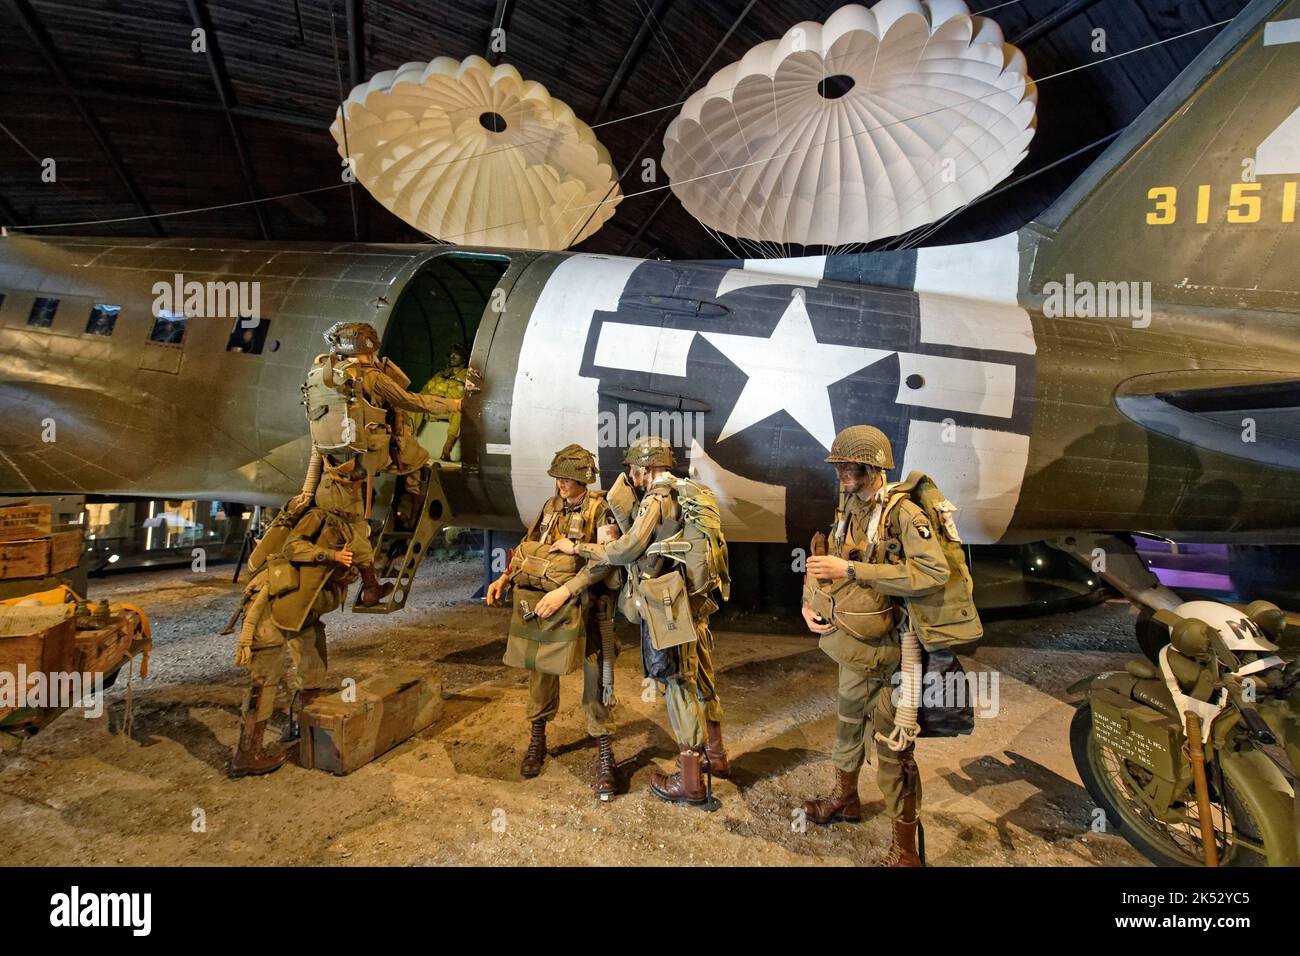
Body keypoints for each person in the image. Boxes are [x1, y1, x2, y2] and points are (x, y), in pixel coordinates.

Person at [551, 436, 730, 807]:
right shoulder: (686, 490)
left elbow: (627, 549)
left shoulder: (658, 497)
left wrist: (580, 547)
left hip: (669, 602)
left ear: (646, 468)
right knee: (702, 675)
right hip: (691, 600)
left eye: (634, 468)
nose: (631, 476)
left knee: (679, 680)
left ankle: (690, 780)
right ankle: (716, 755)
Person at [800, 425, 949, 866]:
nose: (843, 472)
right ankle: (845, 799)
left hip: (896, 653)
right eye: (840, 465)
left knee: (893, 748)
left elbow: (932, 574)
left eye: (851, 466)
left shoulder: (904, 515)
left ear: (875, 467)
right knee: (847, 726)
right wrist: (810, 604)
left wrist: (852, 572)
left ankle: (905, 851)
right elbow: (826, 560)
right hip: (853, 644)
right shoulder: (848, 505)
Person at [487, 445, 622, 798]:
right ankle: (538, 737)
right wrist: (505, 578)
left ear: (583, 479)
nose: (561, 484)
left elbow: (607, 560)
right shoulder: (551, 508)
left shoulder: (601, 510)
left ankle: (604, 749)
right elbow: (528, 545)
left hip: (590, 609)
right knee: (540, 671)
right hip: (548, 608)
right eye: (558, 478)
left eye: (568, 478)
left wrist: (566, 591)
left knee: (596, 677)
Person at [302, 322, 463, 605]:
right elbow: (412, 401)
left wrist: (305, 492)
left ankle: (376, 569)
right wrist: (454, 406)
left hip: (336, 460)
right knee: (419, 462)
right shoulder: (372, 377)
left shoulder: (327, 375)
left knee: (355, 521)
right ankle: (402, 525)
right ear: (369, 347)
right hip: (369, 456)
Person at [228, 503, 356, 778]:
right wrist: (330, 555)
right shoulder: (319, 523)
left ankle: (306, 734)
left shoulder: (341, 531)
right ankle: (247, 753)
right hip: (271, 608)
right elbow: (292, 549)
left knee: (313, 670)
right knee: (264, 681)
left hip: (301, 611)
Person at [415, 342, 469, 461]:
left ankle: (446, 450)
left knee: (458, 414)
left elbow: (464, 395)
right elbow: (425, 390)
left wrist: (444, 388)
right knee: (414, 406)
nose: (452, 357)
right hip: (432, 407)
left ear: (464, 358)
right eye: (451, 355)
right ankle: (407, 443)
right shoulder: (441, 373)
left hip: (449, 409)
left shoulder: (467, 376)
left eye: (456, 355)